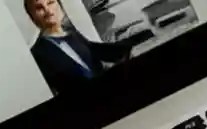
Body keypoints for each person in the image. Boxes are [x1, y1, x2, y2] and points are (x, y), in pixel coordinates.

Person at [23, 0, 154, 96]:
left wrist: (140, 40)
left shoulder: (70, 34)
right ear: (32, 17)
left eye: (51, 3)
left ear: (60, 6)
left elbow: (96, 50)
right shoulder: (38, 53)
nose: (48, 11)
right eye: (39, 8)